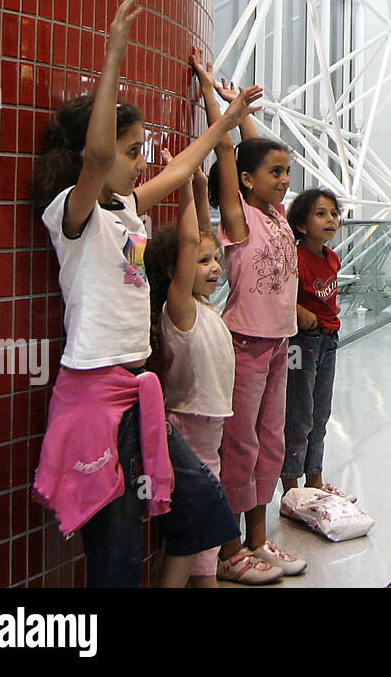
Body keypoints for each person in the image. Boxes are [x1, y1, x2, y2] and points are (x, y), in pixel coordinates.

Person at [29, 0, 256, 587]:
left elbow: (180, 170)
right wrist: (114, 54)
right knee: (116, 553)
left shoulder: (126, 211)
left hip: (136, 392)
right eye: (133, 152)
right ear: (90, 157)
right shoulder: (71, 216)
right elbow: (100, 153)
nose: (139, 162)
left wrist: (225, 125)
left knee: (204, 508)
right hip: (96, 400)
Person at [193, 52, 307, 578]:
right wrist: (214, 98)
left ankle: (258, 539)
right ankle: (226, 550)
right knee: (239, 443)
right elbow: (226, 151)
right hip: (245, 345)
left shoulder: (278, 215)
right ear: (245, 181)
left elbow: (250, 147)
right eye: (275, 174)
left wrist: (243, 115)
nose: (284, 181)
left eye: (287, 173)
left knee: (272, 441)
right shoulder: (239, 221)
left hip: (279, 343)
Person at [144, 165, 282, 586]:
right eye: (203, 262)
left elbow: (200, 234)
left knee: (201, 526)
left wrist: (201, 188)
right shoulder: (179, 312)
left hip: (211, 435)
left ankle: (206, 579)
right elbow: (190, 241)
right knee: (196, 522)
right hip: (187, 431)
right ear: (176, 271)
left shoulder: (205, 310)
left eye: (217, 259)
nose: (214, 267)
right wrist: (185, 186)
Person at [280, 187, 355, 504]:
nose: (331, 220)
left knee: (321, 412)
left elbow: (327, 296)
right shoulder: (295, 258)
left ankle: (315, 478)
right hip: (302, 342)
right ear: (301, 225)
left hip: (328, 340)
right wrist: (300, 312)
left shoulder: (332, 258)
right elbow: (280, 294)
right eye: (321, 214)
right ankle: (291, 486)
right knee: (299, 412)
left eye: (334, 214)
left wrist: (329, 311)